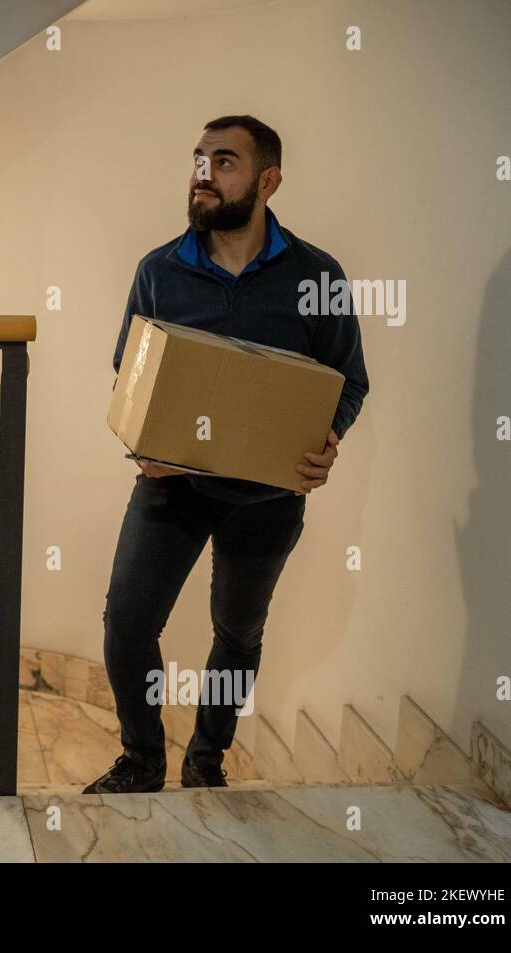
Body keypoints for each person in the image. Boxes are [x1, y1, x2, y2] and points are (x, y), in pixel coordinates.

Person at [84, 115, 370, 793]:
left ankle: (205, 761)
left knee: (237, 634)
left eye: (224, 161)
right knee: (127, 622)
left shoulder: (317, 275)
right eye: (198, 159)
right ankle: (142, 759)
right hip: (171, 487)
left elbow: (348, 380)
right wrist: (144, 442)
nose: (204, 174)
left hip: (268, 498)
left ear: (268, 181)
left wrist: (327, 443)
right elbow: (131, 368)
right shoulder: (160, 271)